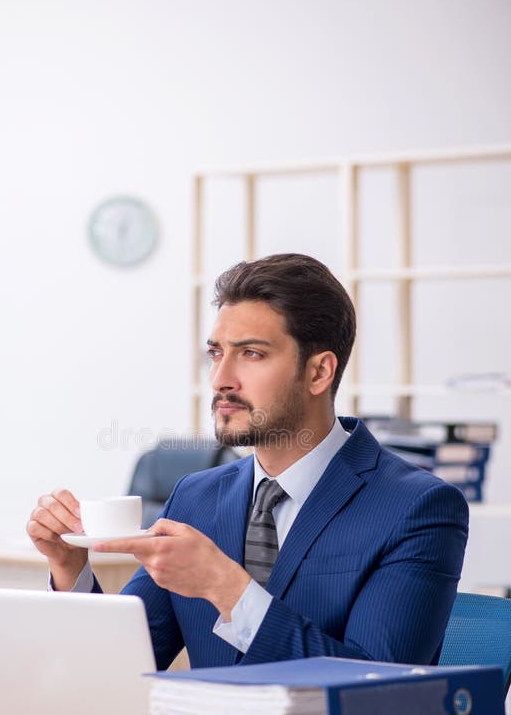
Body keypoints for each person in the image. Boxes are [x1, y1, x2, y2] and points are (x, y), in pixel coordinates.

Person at [27, 253, 469, 670]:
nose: (221, 379)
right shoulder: (196, 497)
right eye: (217, 353)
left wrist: (226, 588)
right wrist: (71, 570)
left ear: (319, 372)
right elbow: (118, 666)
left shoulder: (418, 508)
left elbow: (377, 689)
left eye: (251, 354)